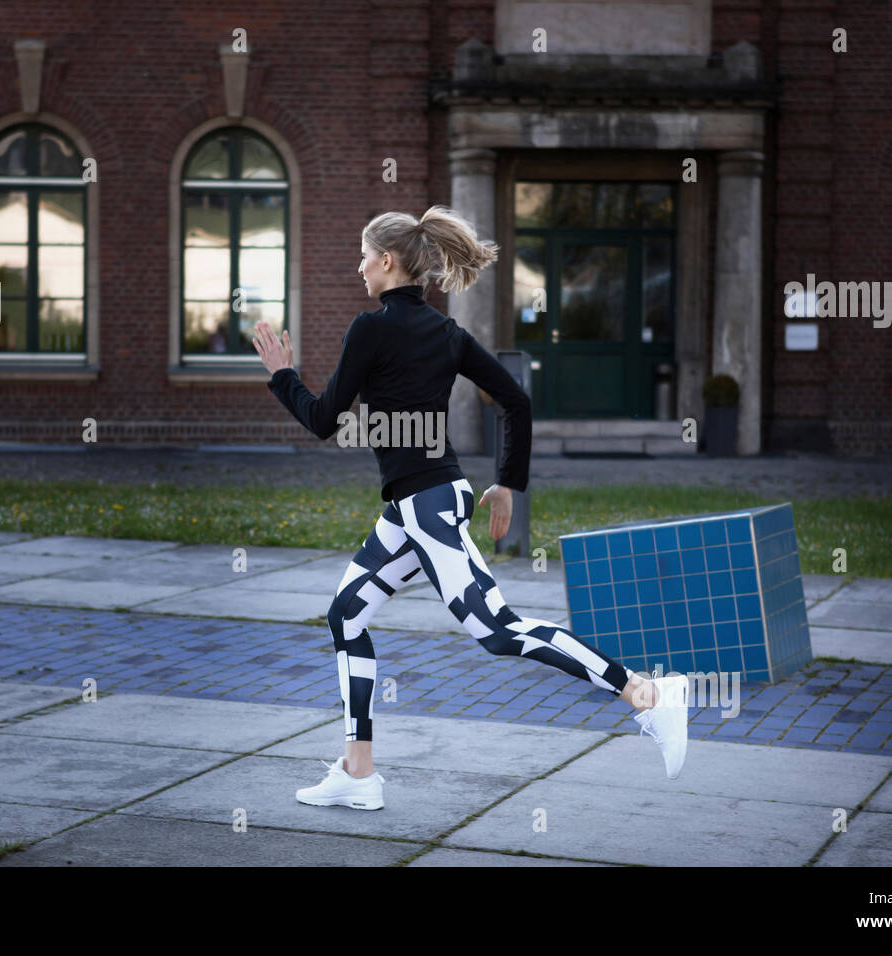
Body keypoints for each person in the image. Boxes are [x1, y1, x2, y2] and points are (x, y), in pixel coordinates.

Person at [252, 205, 689, 811]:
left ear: (387, 262)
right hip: (416, 506)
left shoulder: (370, 329)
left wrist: (282, 376)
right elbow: (516, 401)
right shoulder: (447, 334)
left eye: (362, 256)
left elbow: (325, 420)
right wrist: (507, 483)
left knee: (500, 632)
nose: (358, 267)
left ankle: (647, 696)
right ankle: (358, 772)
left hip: (426, 507)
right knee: (346, 616)